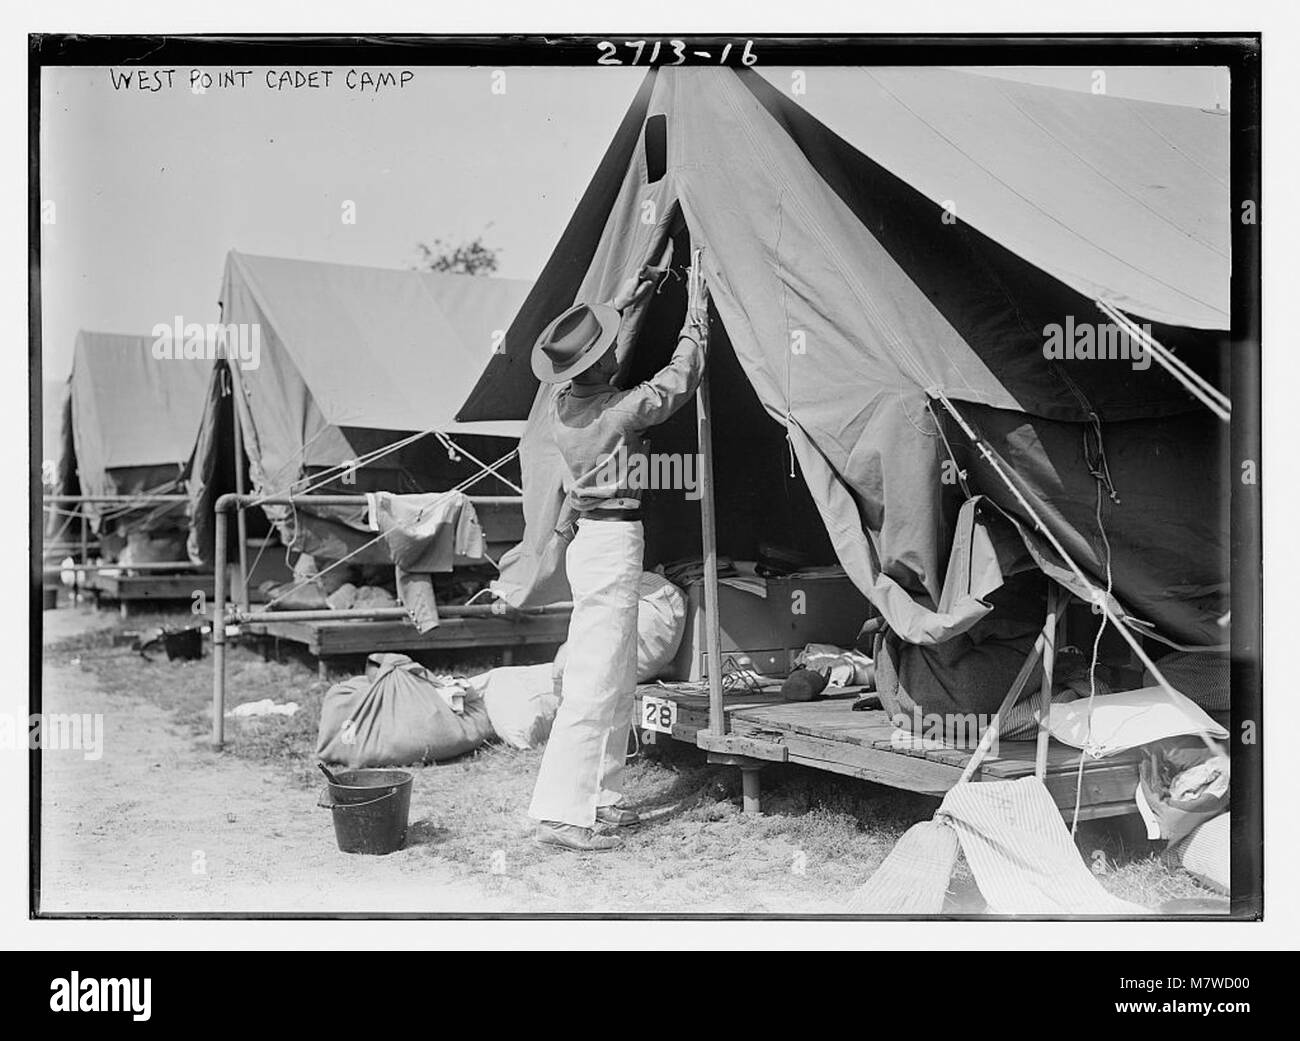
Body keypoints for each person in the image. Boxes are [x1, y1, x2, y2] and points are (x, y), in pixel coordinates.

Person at [527, 261, 710, 852]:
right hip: (609, 543)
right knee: (594, 681)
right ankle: (560, 811)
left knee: (614, 673)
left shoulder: (562, 406)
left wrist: (627, 301)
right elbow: (683, 376)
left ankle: (597, 795)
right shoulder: (623, 410)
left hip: (596, 542)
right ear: (602, 363)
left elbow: (588, 355)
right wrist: (695, 315)